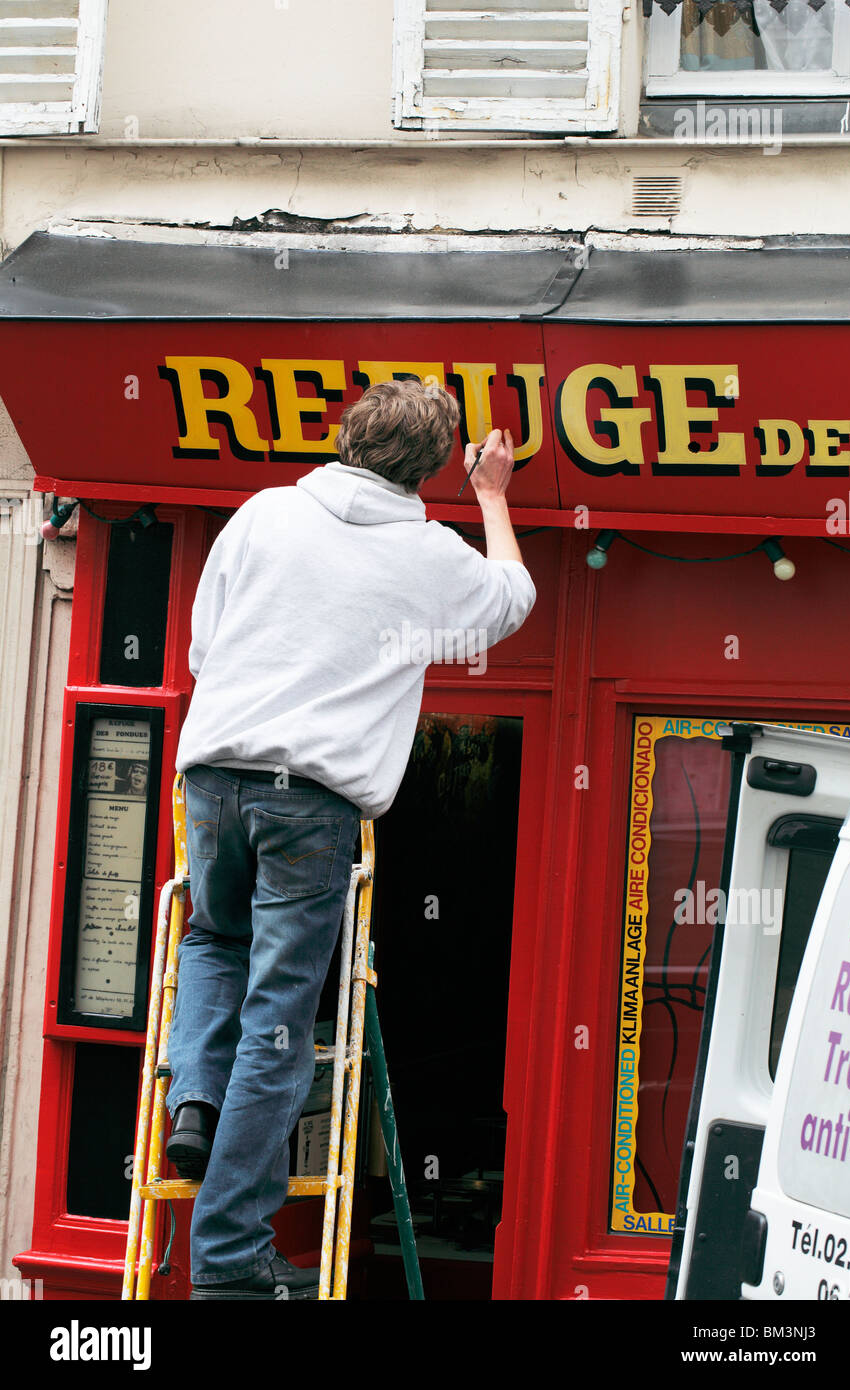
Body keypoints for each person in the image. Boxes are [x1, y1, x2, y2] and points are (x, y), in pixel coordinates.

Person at [165, 378, 536, 1299]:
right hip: (314, 802)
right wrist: (494, 496)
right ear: (432, 470)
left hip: (214, 775)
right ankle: (229, 1256)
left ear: (347, 436)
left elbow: (204, 651)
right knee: (279, 1018)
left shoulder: (262, 513)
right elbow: (510, 602)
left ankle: (192, 1109)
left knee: (214, 943)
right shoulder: (427, 551)